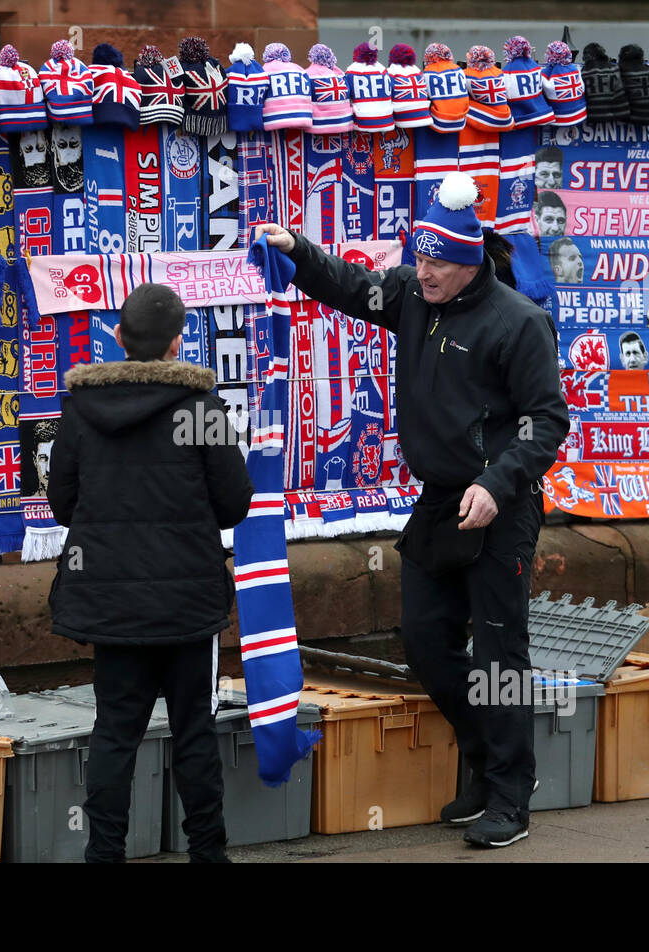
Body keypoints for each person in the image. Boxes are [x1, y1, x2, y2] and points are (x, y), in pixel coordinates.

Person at [255, 170, 569, 849]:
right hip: (439, 500)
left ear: (468, 263)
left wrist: (500, 480)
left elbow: (546, 423)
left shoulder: (519, 323)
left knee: (497, 656)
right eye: (418, 258)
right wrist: (297, 249)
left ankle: (511, 796)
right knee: (424, 639)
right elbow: (349, 285)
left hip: (499, 502)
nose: (420, 271)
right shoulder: (411, 295)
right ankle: (484, 760)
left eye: (435, 263)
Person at [47, 282, 253, 863]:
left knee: (114, 732)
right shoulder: (201, 409)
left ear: (118, 338)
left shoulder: (82, 409)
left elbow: (63, 505)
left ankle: (104, 855)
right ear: (176, 345)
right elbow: (234, 502)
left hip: (110, 605)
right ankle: (208, 854)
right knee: (193, 731)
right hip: (188, 605)